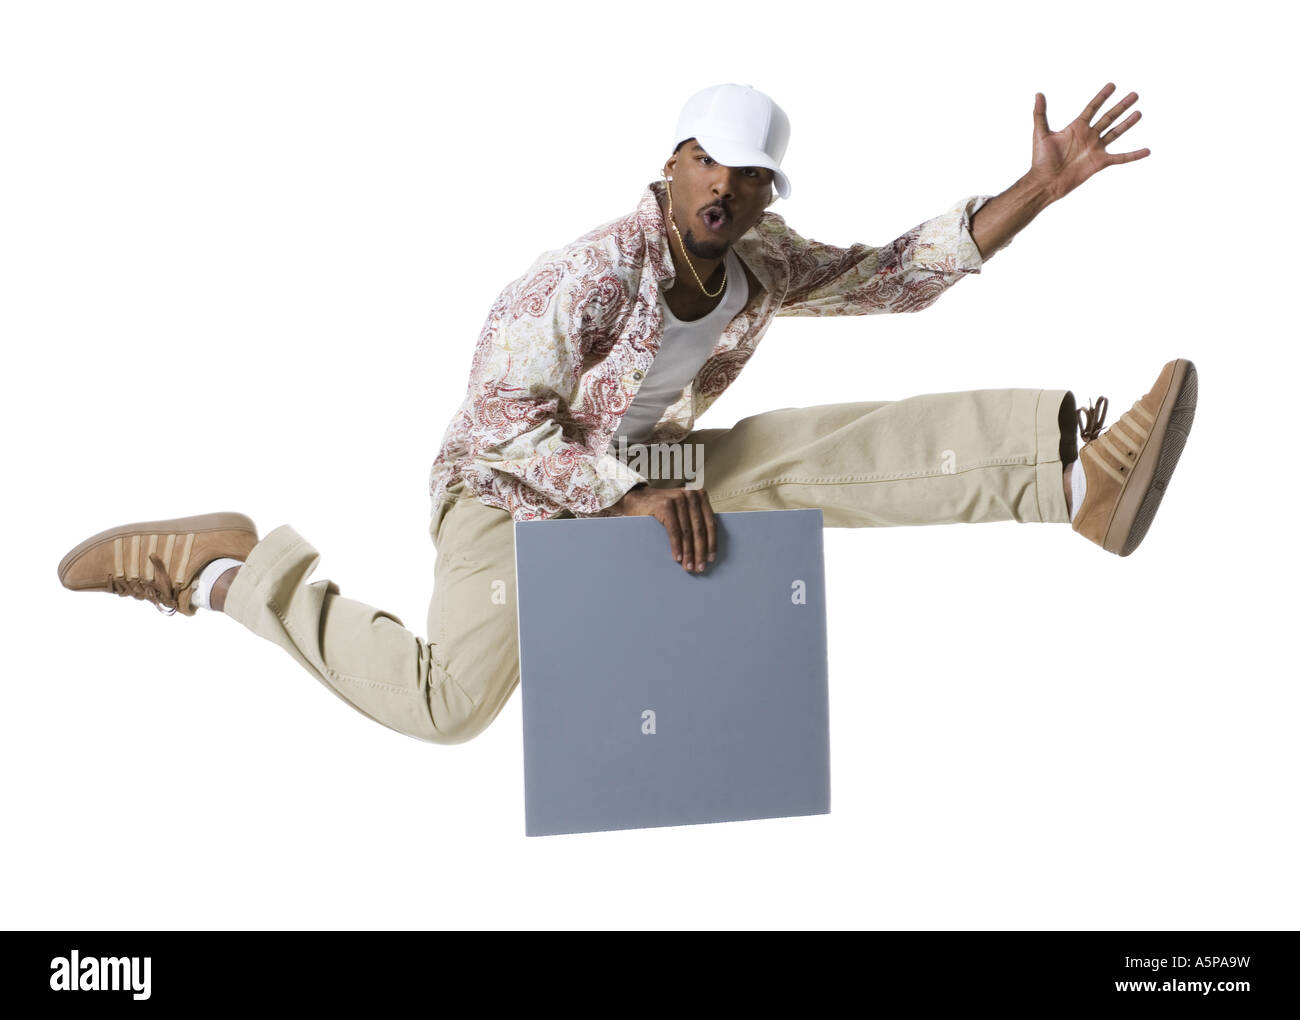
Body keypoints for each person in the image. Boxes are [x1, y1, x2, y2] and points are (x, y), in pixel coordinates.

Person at [57, 83, 1197, 744]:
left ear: (763, 197)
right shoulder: (585, 276)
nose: (723, 190)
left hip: (633, 471)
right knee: (447, 708)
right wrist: (630, 492)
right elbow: (499, 420)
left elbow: (886, 276)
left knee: (785, 456)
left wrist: (1035, 194)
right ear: (669, 164)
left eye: (748, 179)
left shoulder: (758, 264)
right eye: (708, 164)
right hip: (505, 492)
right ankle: (231, 572)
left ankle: (1069, 477)